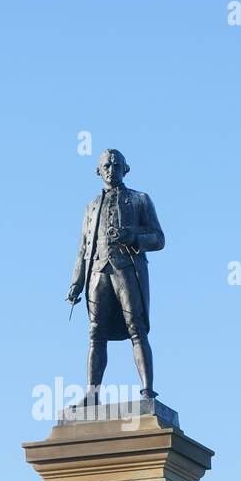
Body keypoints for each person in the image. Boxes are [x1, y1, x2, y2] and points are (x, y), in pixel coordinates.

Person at [67, 148, 166, 402]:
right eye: (106, 166)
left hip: (127, 271)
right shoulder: (90, 207)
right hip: (97, 273)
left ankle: (147, 391)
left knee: (137, 328)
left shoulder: (140, 199)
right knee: (95, 332)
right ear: (99, 171)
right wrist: (76, 283)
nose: (111, 170)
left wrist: (133, 236)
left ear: (125, 169)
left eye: (115, 165)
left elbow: (159, 238)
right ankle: (92, 394)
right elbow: (83, 247)